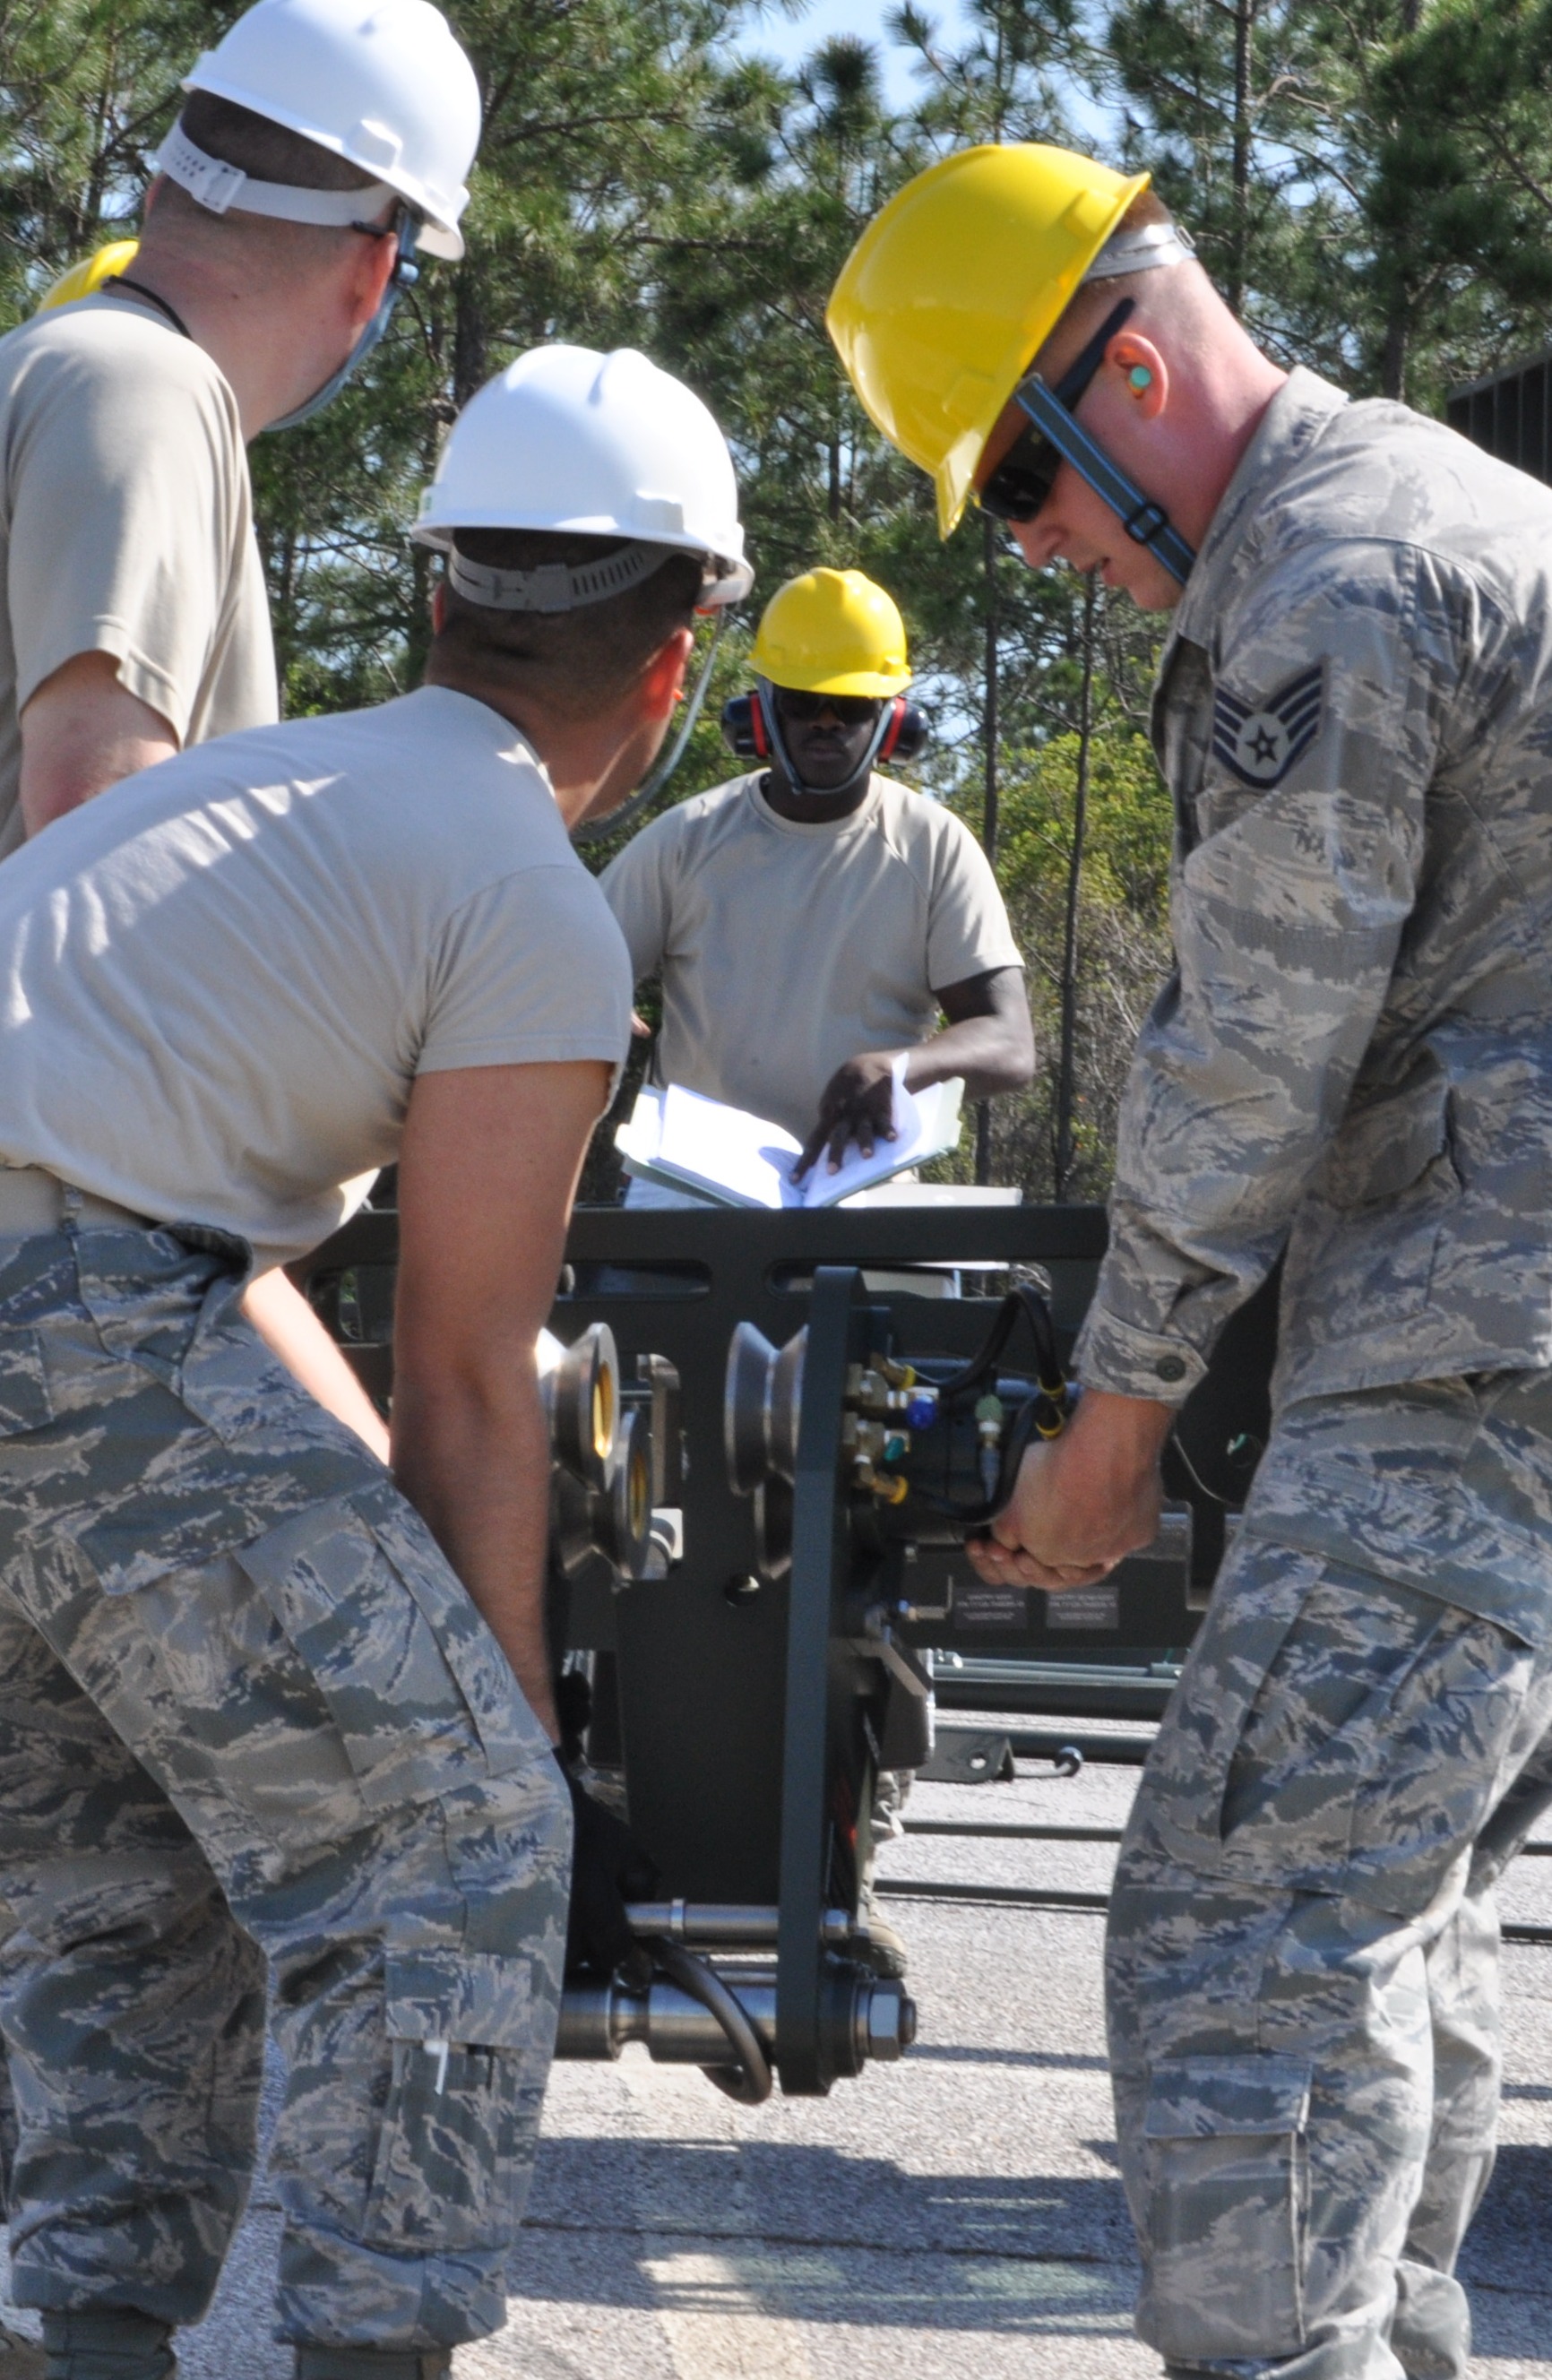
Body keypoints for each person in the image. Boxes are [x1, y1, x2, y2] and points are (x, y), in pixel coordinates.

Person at [830, 140, 1552, 2380]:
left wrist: (1114, 1422)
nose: (1042, 557)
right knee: (1382, 1902)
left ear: (1123, 374)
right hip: (1500, 1351)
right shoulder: (1463, 511)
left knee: (1237, 1924)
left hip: (1473, 1358)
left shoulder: (1328, 580)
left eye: (1027, 498)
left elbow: (1250, 1052)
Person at [0, 339, 750, 2380]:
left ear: (438, 600)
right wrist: (497, 1700)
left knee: (126, 1833)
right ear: (678, 669)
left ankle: (87, 2333)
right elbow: (466, 1376)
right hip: (73, 1321)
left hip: (67, 1312)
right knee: (461, 1824)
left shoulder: (261, 791)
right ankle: (370, 2351)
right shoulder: (523, 891)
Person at [0, 0, 482, 1473]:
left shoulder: (59, 368)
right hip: (59, 1280)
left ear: (163, 183)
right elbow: (100, 858)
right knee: (409, 1682)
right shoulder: (143, 392)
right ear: (375, 263)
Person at [599, 565, 1033, 1189]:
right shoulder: (686, 838)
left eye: (851, 705)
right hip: (691, 1198)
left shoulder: (933, 846)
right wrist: (589, 1001)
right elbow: (561, 977)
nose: (826, 722)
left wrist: (900, 1067)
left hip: (859, 1193)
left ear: (893, 720)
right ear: (761, 710)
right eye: (804, 701)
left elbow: (1010, 1044)